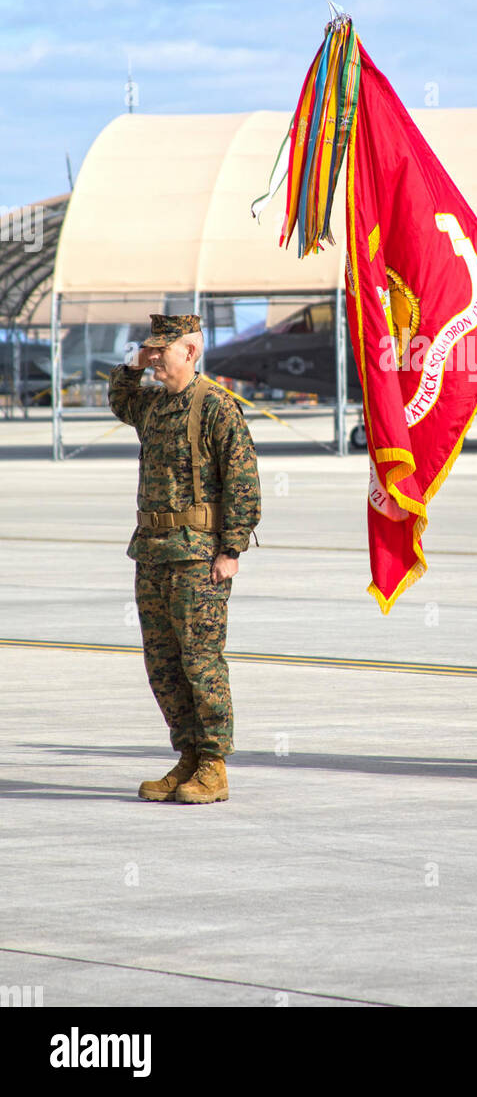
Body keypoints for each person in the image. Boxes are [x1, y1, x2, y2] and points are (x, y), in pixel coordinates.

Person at [109, 314, 261, 804]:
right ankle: (189, 756)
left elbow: (243, 485)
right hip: (152, 553)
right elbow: (120, 399)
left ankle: (214, 764)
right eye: (149, 350)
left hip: (198, 557)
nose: (154, 359)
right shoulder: (152, 405)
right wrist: (134, 361)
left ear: (190, 353)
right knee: (163, 664)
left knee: (201, 661)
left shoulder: (216, 407)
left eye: (162, 351)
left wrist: (231, 549)